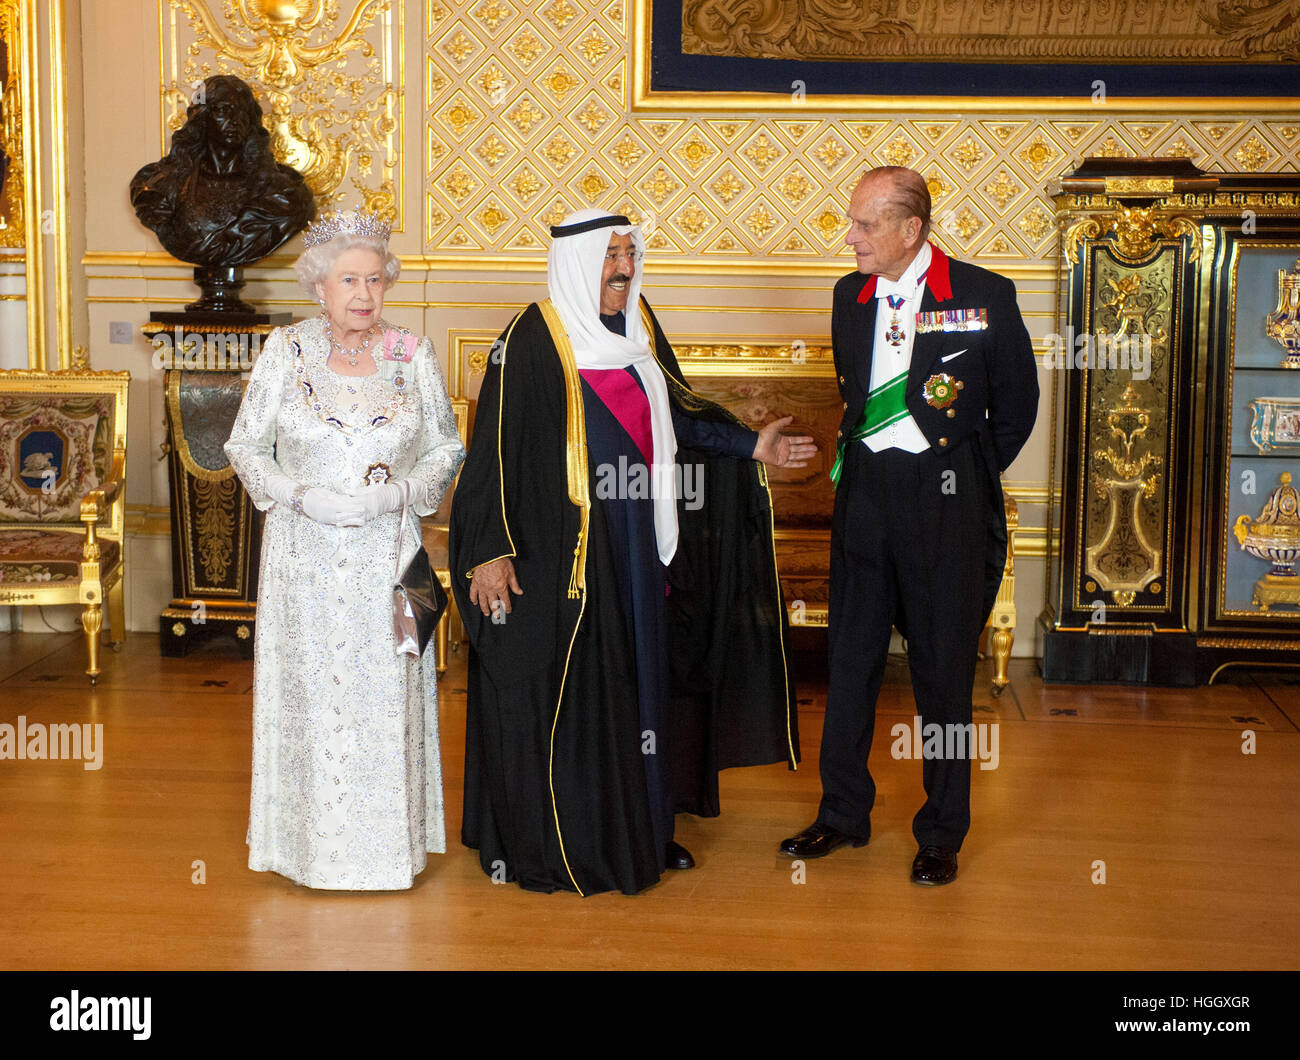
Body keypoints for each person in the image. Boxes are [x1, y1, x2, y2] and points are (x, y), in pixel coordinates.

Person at [450, 208, 816, 896]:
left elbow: (676, 415)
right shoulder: (531, 339)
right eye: (609, 255)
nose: (622, 267)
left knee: (640, 685)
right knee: (582, 691)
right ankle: (575, 842)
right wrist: (490, 551)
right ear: (579, 263)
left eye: (628, 253)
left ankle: (642, 828)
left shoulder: (640, 327)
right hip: (564, 557)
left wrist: (750, 444)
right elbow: (492, 453)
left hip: (641, 548)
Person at [779, 167, 1038, 885]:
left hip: (944, 502)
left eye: (865, 225)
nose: (852, 237)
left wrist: (960, 477)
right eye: (853, 222)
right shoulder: (848, 295)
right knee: (851, 661)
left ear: (910, 230)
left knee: (943, 675)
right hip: (865, 498)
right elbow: (853, 396)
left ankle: (942, 831)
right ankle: (841, 813)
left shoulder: (984, 295)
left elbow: (1016, 406)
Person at [224, 209, 466, 889]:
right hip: (303, 559)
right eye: (349, 279)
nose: (365, 293)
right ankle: (309, 853)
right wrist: (300, 496)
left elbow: (447, 447)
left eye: (375, 280)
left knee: (385, 694)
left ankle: (388, 853)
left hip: (389, 559)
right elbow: (245, 446)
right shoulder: (285, 352)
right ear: (319, 288)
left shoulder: (410, 355)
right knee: (312, 696)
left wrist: (398, 496)